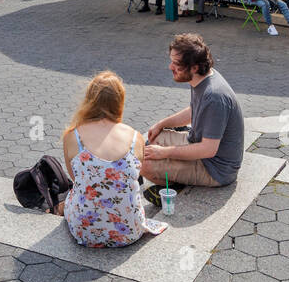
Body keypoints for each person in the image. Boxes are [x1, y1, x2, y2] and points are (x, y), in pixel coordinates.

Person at [54, 72, 147, 248]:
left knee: (71, 196)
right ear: (120, 101)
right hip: (129, 232)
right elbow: (133, 177)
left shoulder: (73, 136)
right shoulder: (136, 137)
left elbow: (76, 179)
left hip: (85, 232)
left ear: (89, 100)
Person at [140, 33, 243, 191]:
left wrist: (164, 153)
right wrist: (162, 124)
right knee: (148, 140)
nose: (170, 67)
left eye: (176, 64)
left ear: (194, 67)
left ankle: (176, 187)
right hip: (198, 146)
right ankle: (175, 174)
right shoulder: (202, 77)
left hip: (215, 169)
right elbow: (193, 111)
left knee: (143, 165)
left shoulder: (214, 96)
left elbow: (208, 150)